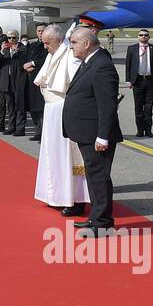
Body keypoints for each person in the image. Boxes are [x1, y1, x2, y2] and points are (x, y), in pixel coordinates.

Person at [63, 25, 123, 233]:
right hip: (86, 131)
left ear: (87, 44)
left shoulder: (101, 65)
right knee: (93, 176)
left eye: (73, 42)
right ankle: (96, 217)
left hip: (95, 133)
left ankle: (102, 223)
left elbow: (107, 105)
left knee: (99, 177)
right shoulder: (90, 61)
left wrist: (103, 136)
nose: (71, 47)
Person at [32, 24, 91, 216]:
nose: (45, 47)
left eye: (47, 43)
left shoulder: (70, 55)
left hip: (64, 109)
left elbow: (77, 84)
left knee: (68, 156)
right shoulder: (52, 53)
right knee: (53, 155)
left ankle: (74, 198)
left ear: (56, 40)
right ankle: (56, 194)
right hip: (51, 110)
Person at [125, 29, 153, 138]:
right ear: (138, 37)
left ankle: (148, 130)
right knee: (138, 107)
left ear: (149, 37)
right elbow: (128, 65)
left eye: (146, 35)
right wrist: (128, 80)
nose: (143, 37)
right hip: (137, 81)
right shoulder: (132, 49)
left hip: (150, 81)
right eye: (141, 35)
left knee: (149, 107)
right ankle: (139, 130)